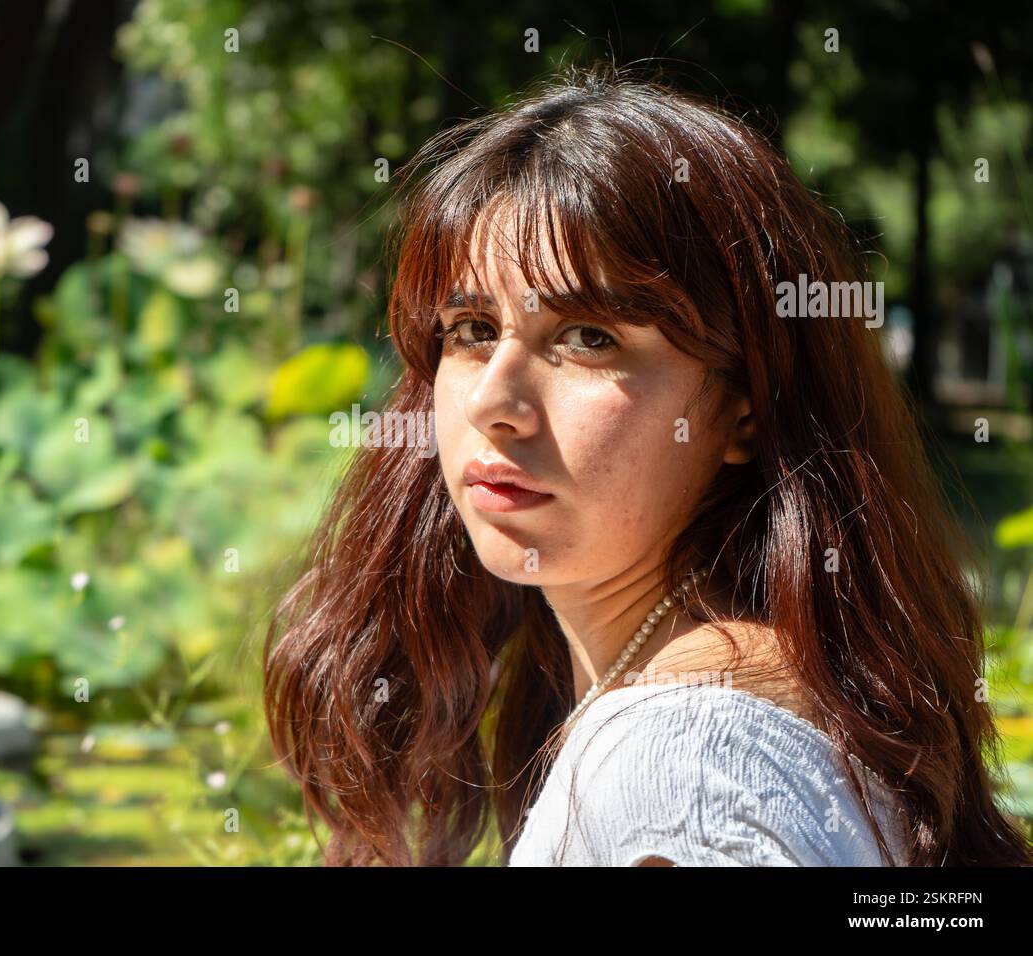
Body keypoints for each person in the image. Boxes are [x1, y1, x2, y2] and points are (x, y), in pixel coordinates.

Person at [262, 62, 1033, 867]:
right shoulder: (715, 697)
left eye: (589, 338)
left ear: (745, 410)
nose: (495, 399)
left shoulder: (684, 767)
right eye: (470, 329)